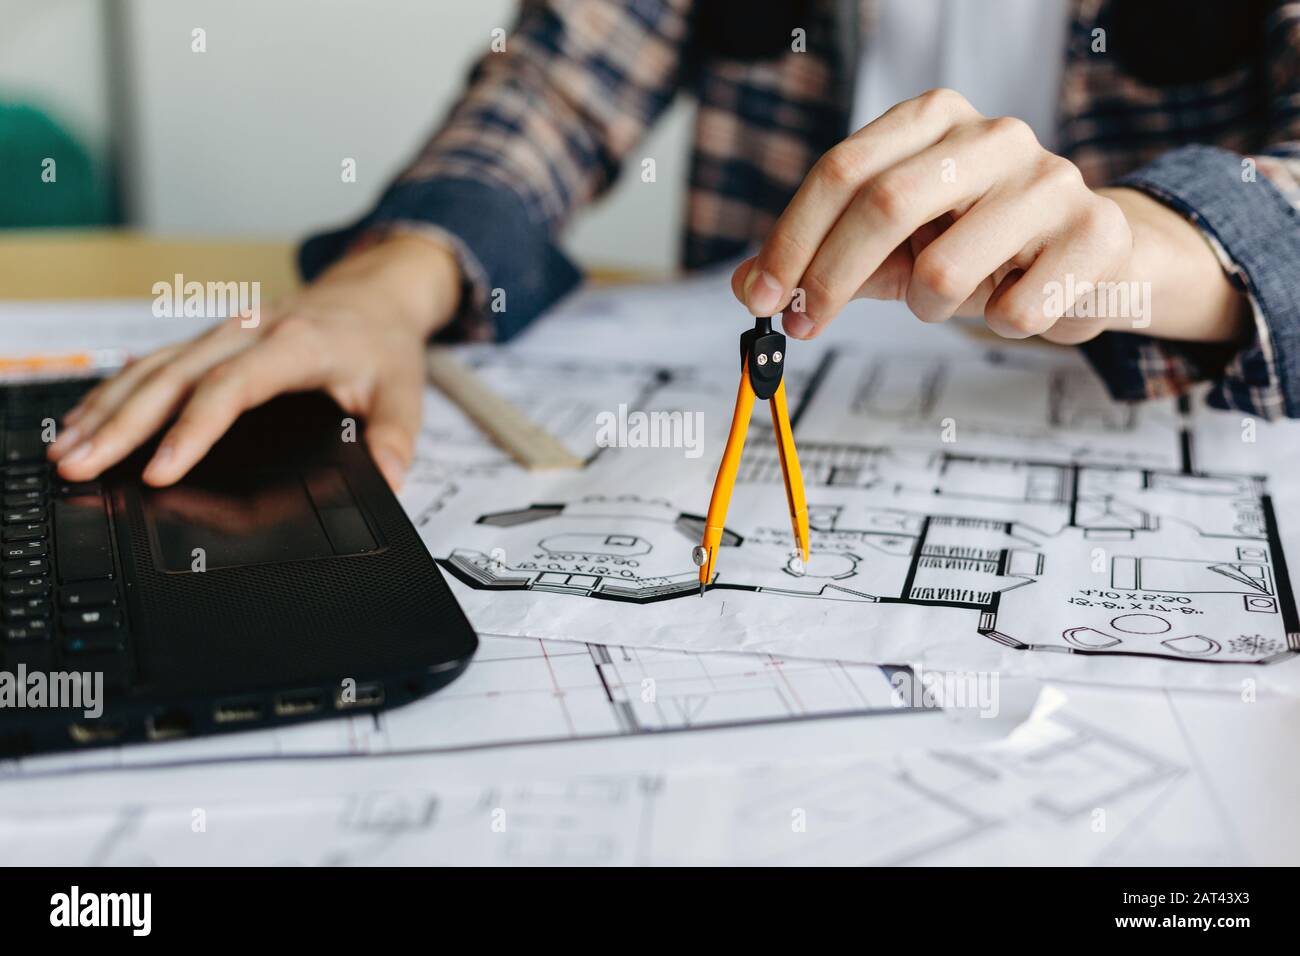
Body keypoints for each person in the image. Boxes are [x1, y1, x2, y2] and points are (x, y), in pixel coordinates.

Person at [50, 0, 1300, 491]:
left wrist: (1160, 241)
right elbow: (556, 82)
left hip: (1156, 429)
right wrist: (391, 279)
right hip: (773, 380)